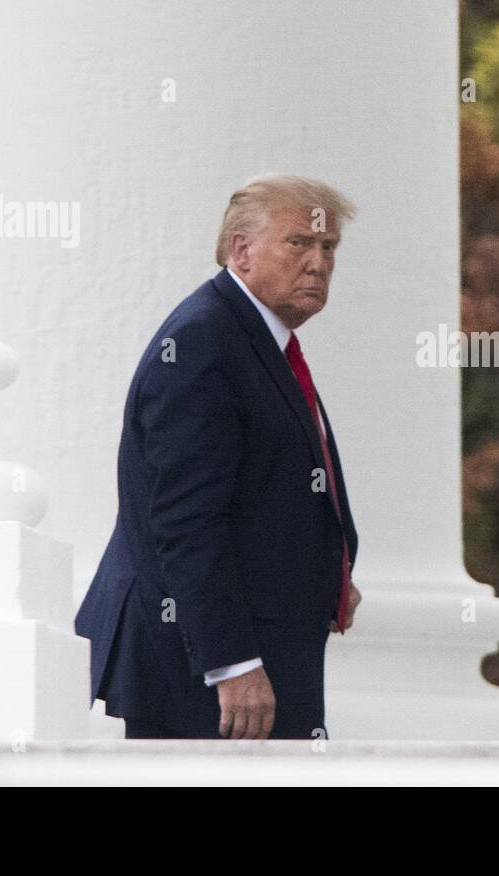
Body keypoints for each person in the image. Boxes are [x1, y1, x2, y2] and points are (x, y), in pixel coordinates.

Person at [75, 173, 361, 740]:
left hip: (254, 654)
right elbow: (186, 522)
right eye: (298, 242)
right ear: (241, 249)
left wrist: (332, 567)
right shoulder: (205, 343)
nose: (318, 262)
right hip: (205, 672)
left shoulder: (254, 339)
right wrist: (231, 663)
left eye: (328, 247)